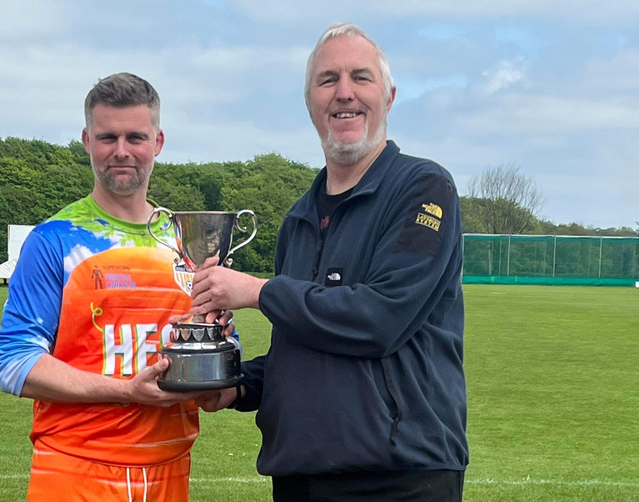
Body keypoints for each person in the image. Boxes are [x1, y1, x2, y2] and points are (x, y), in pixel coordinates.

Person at [191, 22, 468, 501]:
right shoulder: (299, 218)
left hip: (399, 480)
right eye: (327, 80)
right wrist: (236, 386)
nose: (344, 93)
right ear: (310, 103)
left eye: (361, 78)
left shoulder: (423, 189)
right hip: (300, 477)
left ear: (389, 96)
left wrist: (259, 291)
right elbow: (299, 352)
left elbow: (380, 319)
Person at [0, 72, 231, 502]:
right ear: (87, 140)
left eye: (135, 137)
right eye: (107, 138)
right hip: (75, 471)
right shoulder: (55, 240)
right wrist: (125, 391)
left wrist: (217, 372)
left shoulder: (186, 240)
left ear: (157, 142)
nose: (121, 152)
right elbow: (14, 363)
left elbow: (209, 365)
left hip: (170, 473)